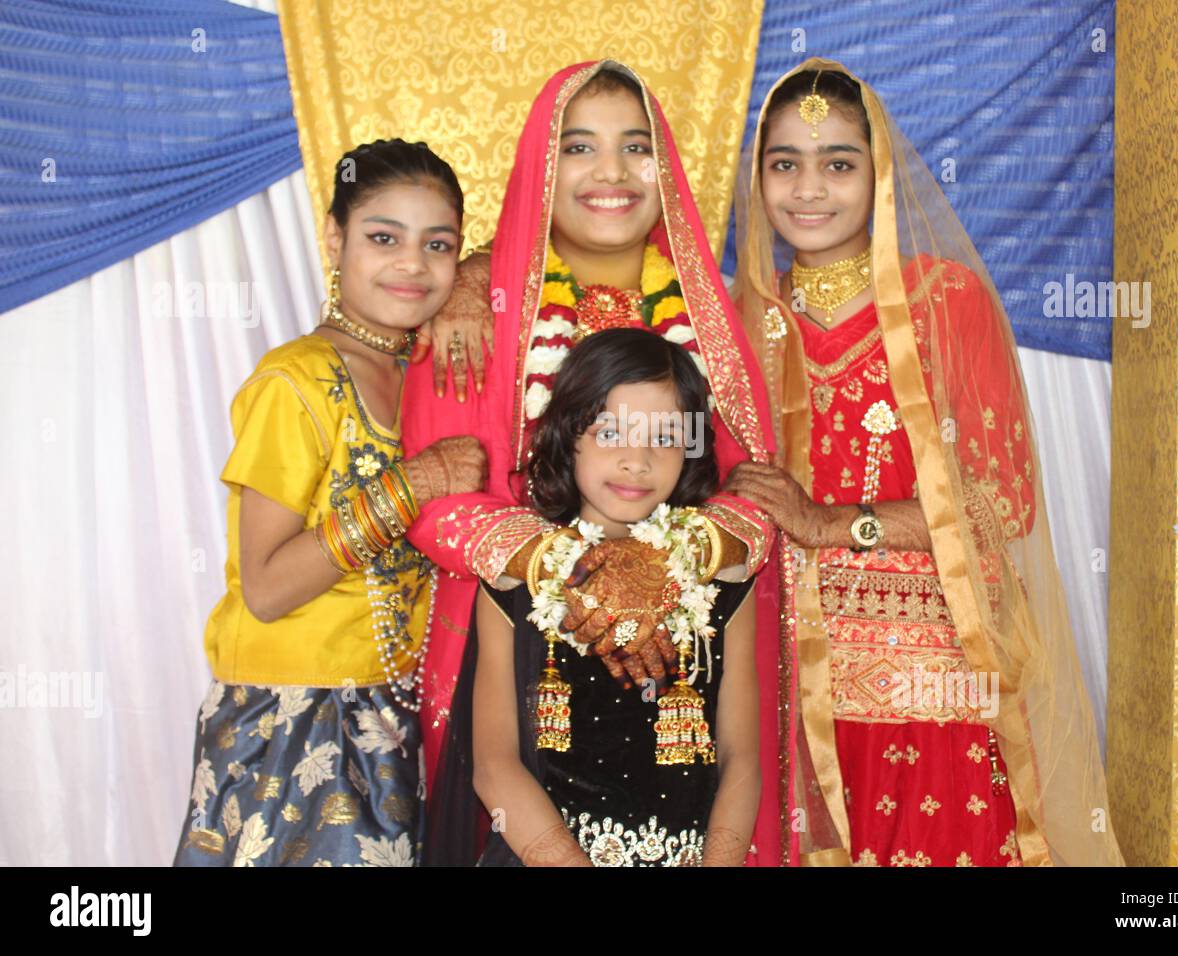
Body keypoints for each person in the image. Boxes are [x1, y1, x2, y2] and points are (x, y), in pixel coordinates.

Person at [727, 59, 1124, 866]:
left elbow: (1003, 503)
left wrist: (830, 522)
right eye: (784, 164)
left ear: (877, 177)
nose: (809, 188)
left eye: (837, 163)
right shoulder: (742, 318)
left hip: (932, 679)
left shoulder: (945, 302)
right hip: (784, 673)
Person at [400, 61, 795, 864]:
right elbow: (436, 503)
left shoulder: (711, 314)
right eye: (579, 147)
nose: (611, 173)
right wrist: (571, 567)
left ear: (669, 169)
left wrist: (676, 560)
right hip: (516, 633)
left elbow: (755, 483)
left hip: (692, 637)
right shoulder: (474, 312)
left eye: (635, 148)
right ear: (543, 166)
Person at [173, 139, 487, 866]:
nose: (412, 264)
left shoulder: (429, 370)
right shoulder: (296, 381)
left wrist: (470, 281)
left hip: (400, 714)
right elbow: (269, 587)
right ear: (334, 238)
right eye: (383, 238)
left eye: (437, 245)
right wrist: (411, 486)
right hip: (293, 719)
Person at [434, 329, 759, 866]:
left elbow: (741, 757)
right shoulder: (519, 578)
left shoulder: (724, 577)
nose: (637, 461)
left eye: (664, 436)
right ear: (568, 436)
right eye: (610, 432)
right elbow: (495, 766)